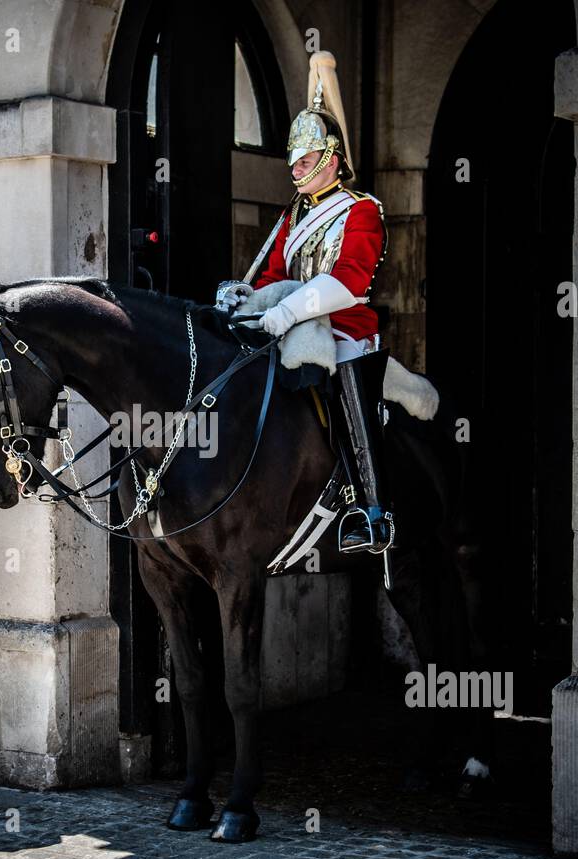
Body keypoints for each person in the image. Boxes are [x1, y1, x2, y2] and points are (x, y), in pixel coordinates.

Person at [218, 51, 400, 553]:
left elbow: (349, 281)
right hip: (292, 325)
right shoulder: (294, 216)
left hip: (345, 327)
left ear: (332, 159)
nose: (295, 168)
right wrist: (248, 297)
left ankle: (371, 509)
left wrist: (281, 314)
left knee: (344, 371)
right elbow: (276, 276)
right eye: (292, 161)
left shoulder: (362, 211)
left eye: (304, 159)